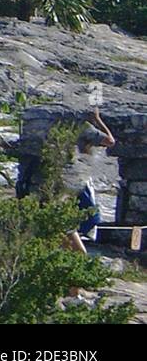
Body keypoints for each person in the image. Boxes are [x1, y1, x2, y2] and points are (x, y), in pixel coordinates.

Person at [61, 108, 115, 255]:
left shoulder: (62, 123)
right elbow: (110, 141)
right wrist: (98, 120)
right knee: (89, 214)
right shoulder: (85, 127)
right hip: (77, 176)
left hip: (63, 175)